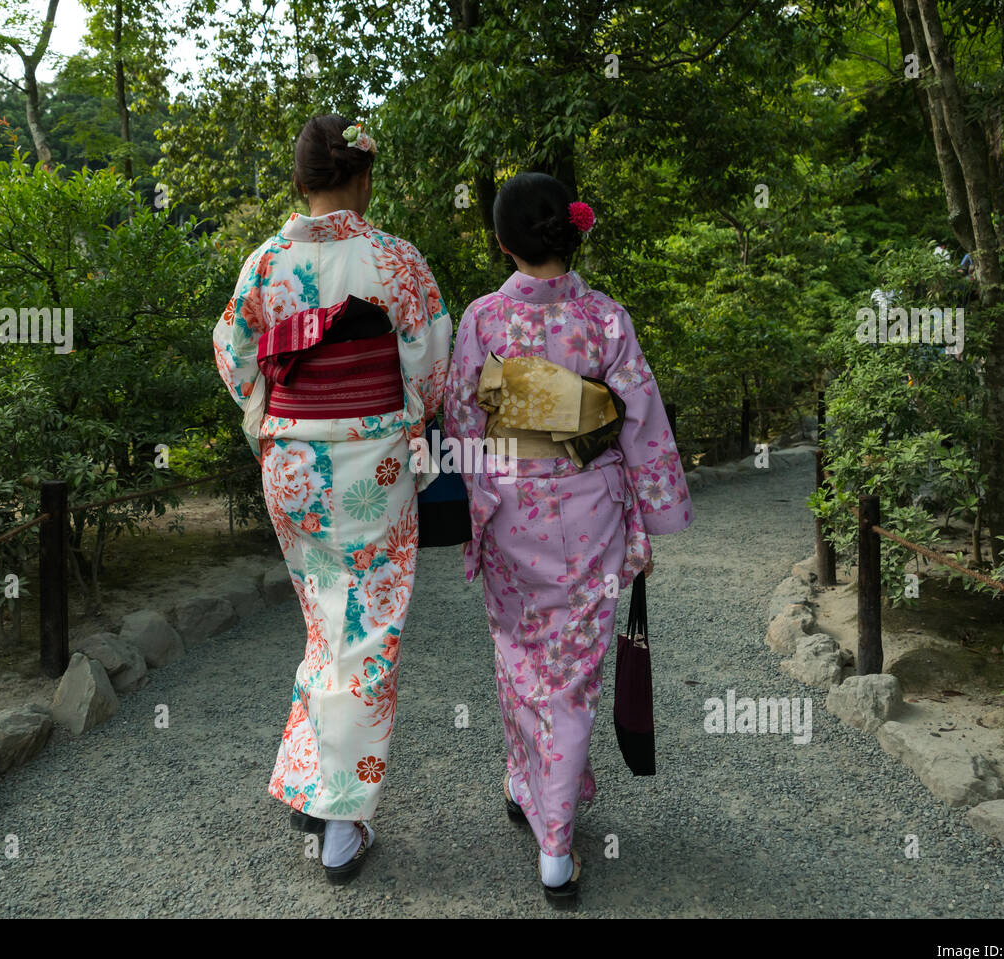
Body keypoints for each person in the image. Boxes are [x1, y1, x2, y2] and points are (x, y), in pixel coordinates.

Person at [212, 115, 451, 884]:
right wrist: (408, 421)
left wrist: (272, 424)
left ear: (300, 180)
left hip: (291, 464)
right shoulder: (394, 260)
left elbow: (234, 354)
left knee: (327, 621)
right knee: (367, 632)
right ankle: (341, 824)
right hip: (369, 460)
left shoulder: (263, 263)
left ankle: (310, 781)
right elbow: (431, 363)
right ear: (361, 176)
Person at [443, 172, 691, 907]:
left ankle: (540, 805)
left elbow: (462, 418)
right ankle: (551, 828)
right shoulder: (604, 317)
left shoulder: (483, 320)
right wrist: (657, 509)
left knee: (522, 658)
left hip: (512, 508)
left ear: (501, 242)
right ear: (571, 234)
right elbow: (640, 419)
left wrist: (478, 496)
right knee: (573, 672)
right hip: (591, 513)